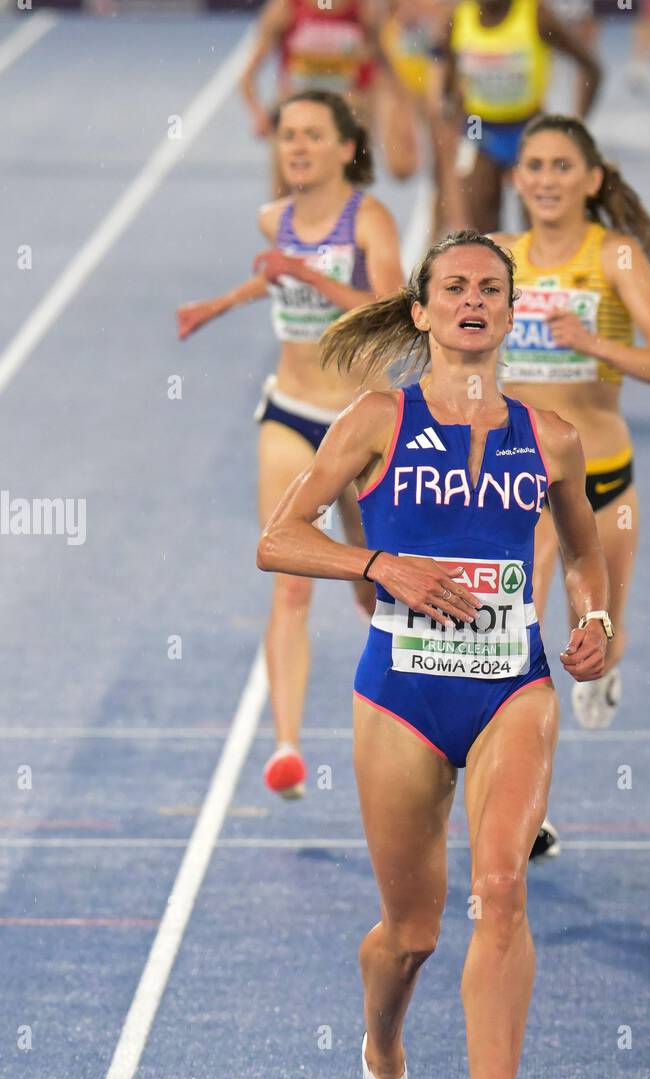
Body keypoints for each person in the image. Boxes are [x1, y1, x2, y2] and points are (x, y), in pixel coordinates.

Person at [257, 230, 612, 1079]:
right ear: (420, 311)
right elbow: (277, 537)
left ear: (508, 314)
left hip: (512, 688)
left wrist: (593, 619)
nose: (470, 300)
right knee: (411, 932)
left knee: (500, 889)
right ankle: (382, 1052)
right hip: (402, 693)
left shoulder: (550, 438)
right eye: (452, 287)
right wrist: (380, 567)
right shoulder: (377, 418)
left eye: (488, 290)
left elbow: (582, 554)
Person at [177, 91, 403, 800]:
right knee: (292, 583)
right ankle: (287, 748)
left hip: (362, 427)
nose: (295, 147)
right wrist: (224, 302)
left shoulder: (369, 219)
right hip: (292, 413)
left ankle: (410, 709)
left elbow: (394, 311)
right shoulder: (272, 217)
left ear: (345, 147)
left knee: (376, 588)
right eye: (285, 136)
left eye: (310, 135)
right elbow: (277, 276)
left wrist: (309, 274)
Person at [493, 114, 650, 857]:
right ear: (517, 179)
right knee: (518, 641)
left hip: (602, 479)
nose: (546, 180)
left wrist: (593, 343)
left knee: (594, 639)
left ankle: (605, 670)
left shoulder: (615, 257)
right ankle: (529, 814)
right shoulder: (500, 258)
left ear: (592, 180)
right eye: (534, 166)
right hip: (520, 481)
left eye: (561, 167)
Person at [442, 0, 602, 233]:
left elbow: (591, 67)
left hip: (528, 129)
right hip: (480, 129)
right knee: (485, 234)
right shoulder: (458, 19)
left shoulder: (537, 15)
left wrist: (576, 125)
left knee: (538, 229)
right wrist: (451, 113)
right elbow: (448, 81)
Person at [239, 0, 378, 195]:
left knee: (343, 204)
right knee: (282, 201)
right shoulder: (286, 8)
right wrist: (258, 115)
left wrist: (369, 119)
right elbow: (247, 76)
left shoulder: (364, 11)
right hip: (297, 117)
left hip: (342, 120)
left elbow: (383, 73)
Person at [374, 0, 467, 236]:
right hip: (400, 86)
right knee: (401, 168)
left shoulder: (450, 11)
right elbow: (373, 34)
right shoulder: (386, 12)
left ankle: (446, 228)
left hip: (437, 89)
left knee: (445, 165)